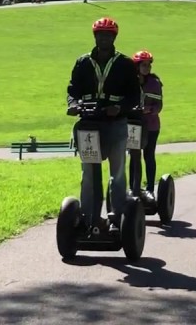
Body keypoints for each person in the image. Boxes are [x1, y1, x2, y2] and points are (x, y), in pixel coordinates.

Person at [66, 16, 141, 232]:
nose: (104, 39)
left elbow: (134, 96)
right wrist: (72, 104)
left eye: (108, 35)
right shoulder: (82, 62)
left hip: (115, 125)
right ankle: (88, 218)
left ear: (114, 37)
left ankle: (116, 219)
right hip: (89, 124)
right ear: (95, 36)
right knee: (88, 173)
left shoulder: (125, 64)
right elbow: (73, 89)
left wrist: (119, 108)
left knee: (116, 172)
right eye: (100, 35)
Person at [130, 50, 163, 198]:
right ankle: (133, 188)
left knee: (148, 156)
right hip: (133, 126)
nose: (147, 68)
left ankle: (150, 189)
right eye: (143, 65)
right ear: (137, 66)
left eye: (148, 65)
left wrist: (149, 110)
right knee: (133, 156)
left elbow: (159, 105)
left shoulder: (154, 83)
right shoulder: (130, 82)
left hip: (151, 126)